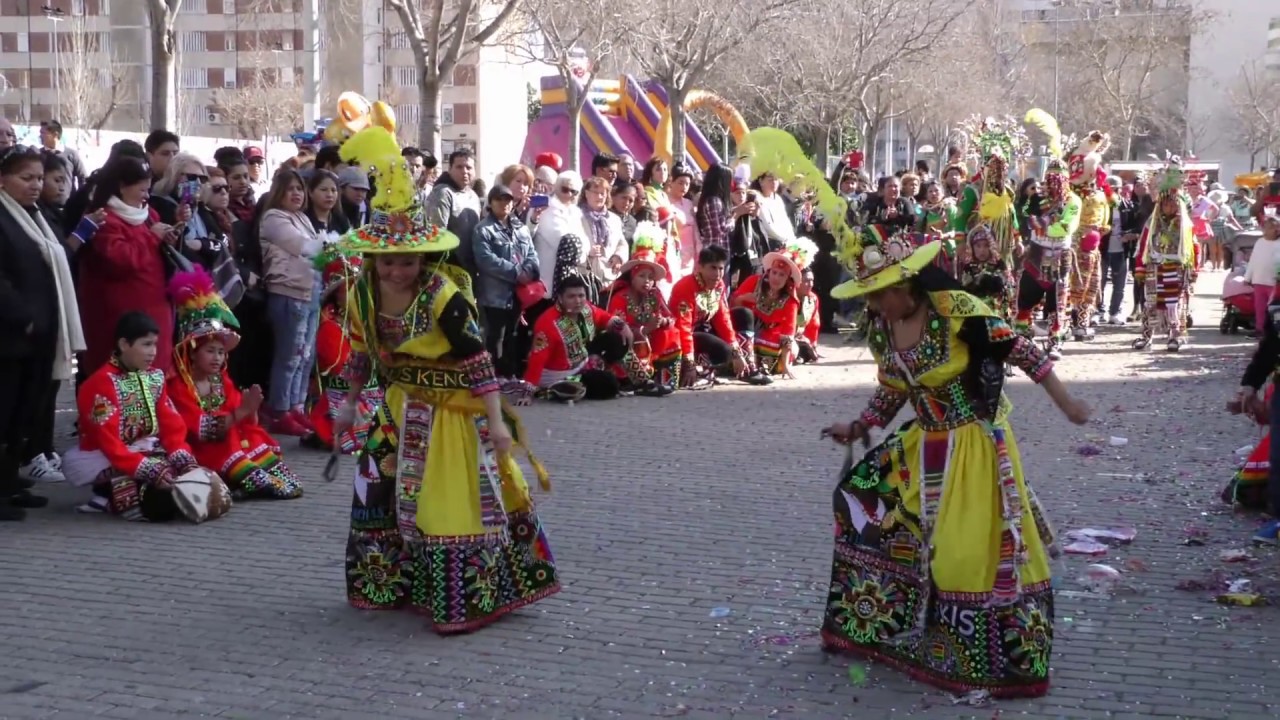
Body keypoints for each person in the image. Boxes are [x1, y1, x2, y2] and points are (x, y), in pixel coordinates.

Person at [820, 229, 1089, 698]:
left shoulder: (955, 311)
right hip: (924, 443)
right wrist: (859, 425)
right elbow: (893, 390)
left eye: (879, 295)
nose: (873, 306)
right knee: (865, 503)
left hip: (972, 447)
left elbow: (1023, 352)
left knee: (965, 552)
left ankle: (985, 657)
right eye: (868, 296)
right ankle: (884, 625)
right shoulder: (884, 328)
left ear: (905, 287)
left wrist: (1069, 405)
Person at [336, 128, 559, 634]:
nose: (397, 271)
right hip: (397, 405)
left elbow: (478, 361)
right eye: (388, 261)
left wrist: (497, 423)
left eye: (407, 261)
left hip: (451, 411)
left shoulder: (443, 295)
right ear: (373, 258)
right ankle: (389, 585)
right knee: (377, 492)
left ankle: (467, 598)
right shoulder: (362, 293)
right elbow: (361, 354)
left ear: (424, 257)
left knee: (448, 505)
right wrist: (349, 405)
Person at [165, 269, 303, 500]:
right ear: (192, 352)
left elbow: (245, 420)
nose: (217, 358)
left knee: (262, 446)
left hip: (234, 439)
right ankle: (242, 480)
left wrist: (250, 410)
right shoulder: (179, 387)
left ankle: (245, 481)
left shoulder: (221, 380)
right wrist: (243, 411)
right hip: (205, 448)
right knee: (237, 452)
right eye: (210, 351)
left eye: (221, 352)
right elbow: (203, 431)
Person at [0, 146, 84, 516]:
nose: (35, 185)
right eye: (26, 178)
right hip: (11, 336)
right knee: (4, 411)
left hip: (40, 334)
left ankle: (9, 482)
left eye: (38, 178)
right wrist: (23, 316)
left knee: (23, 413)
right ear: (3, 180)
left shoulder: (37, 215)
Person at [62, 312, 202, 521]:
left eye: (154, 345)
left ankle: (116, 496)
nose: (153, 352)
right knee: (162, 504)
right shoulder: (100, 383)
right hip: (104, 457)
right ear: (124, 344)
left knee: (185, 480)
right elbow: (108, 441)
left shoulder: (154, 377)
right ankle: (108, 494)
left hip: (146, 450)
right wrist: (147, 469)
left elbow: (171, 424)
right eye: (146, 344)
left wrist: (181, 457)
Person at [77, 156, 179, 374]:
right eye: (142, 190)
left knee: (154, 374)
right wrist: (152, 238)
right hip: (121, 316)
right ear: (122, 187)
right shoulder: (104, 219)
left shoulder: (149, 215)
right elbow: (121, 261)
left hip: (156, 309)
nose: (146, 196)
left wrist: (168, 238)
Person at [304, 250, 381, 453]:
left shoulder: (371, 320)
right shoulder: (330, 326)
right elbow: (335, 363)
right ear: (336, 296)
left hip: (372, 395)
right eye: (348, 288)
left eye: (357, 287)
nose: (354, 292)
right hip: (342, 396)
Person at [668, 244, 770, 386]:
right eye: (713, 268)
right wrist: (689, 364)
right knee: (724, 351)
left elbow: (723, 319)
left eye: (721, 269)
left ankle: (747, 367)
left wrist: (737, 353)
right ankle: (698, 368)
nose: (717, 274)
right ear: (700, 267)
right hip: (685, 336)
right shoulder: (685, 287)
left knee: (744, 314)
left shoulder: (718, 285)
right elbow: (683, 327)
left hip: (705, 329)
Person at [523, 273, 629, 402]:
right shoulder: (547, 322)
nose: (578, 301)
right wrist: (527, 393)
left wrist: (622, 325)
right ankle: (557, 389)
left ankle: (639, 380)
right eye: (571, 296)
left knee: (618, 339)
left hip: (582, 360)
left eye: (581, 296)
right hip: (557, 374)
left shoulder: (586, 309)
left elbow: (603, 317)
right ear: (560, 298)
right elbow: (537, 359)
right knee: (609, 385)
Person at [472, 183, 539, 377]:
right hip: (495, 296)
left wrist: (529, 271)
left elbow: (532, 254)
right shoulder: (483, 229)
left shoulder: (521, 228)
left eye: (508, 200)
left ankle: (510, 376)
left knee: (513, 335)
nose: (504, 204)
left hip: (518, 295)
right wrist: (516, 272)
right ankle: (493, 378)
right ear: (490, 203)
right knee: (495, 338)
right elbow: (485, 260)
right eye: (498, 199)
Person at [1014, 162, 1080, 359]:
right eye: (1049, 179)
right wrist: (1044, 220)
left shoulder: (1073, 201)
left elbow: (1066, 227)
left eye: (1057, 180)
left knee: (1057, 301)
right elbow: (1025, 217)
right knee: (1025, 298)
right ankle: (1023, 338)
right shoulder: (1037, 198)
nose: (1053, 184)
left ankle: (1054, 342)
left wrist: (1041, 224)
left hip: (1059, 257)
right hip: (1036, 254)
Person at [606, 226, 681, 396]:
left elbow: (670, 317)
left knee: (671, 331)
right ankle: (635, 380)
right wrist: (645, 329)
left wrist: (663, 322)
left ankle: (664, 379)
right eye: (642, 276)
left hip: (649, 345)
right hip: (628, 347)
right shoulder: (620, 297)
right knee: (626, 339)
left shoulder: (655, 294)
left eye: (650, 277)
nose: (647, 281)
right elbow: (616, 329)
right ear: (632, 277)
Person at [1133, 160, 1198, 352]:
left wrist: (1194, 271)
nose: (1168, 206)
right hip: (1154, 266)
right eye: (1165, 203)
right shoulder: (1151, 224)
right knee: (1151, 303)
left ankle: (1175, 336)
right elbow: (1143, 246)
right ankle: (1147, 336)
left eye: (1172, 203)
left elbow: (1194, 248)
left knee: (1174, 304)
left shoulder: (1185, 226)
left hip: (1177, 268)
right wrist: (1140, 268)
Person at [731, 238, 815, 378]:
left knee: (791, 351)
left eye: (782, 275)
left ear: (788, 278)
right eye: (774, 272)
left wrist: (786, 366)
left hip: (771, 337)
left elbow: (787, 333)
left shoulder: (790, 300)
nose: (776, 278)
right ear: (769, 272)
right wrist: (742, 299)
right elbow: (733, 311)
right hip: (744, 333)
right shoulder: (753, 281)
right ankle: (746, 363)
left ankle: (753, 364)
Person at [423, 147, 482, 276]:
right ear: (450, 169)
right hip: (448, 267)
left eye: (469, 167)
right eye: (459, 167)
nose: (464, 171)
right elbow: (437, 234)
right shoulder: (443, 193)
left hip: (470, 267)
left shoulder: (473, 196)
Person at [38, 120, 86, 187]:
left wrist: (82, 193)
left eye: (43, 133)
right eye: (40, 133)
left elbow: (83, 178)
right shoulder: (38, 155)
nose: (40, 136)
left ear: (55, 135)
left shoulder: (71, 154)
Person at [794, 265, 821, 364]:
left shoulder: (812, 299)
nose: (810, 284)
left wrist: (812, 345)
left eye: (812, 280)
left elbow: (814, 325)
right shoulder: (786, 297)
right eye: (806, 281)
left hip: (799, 338)